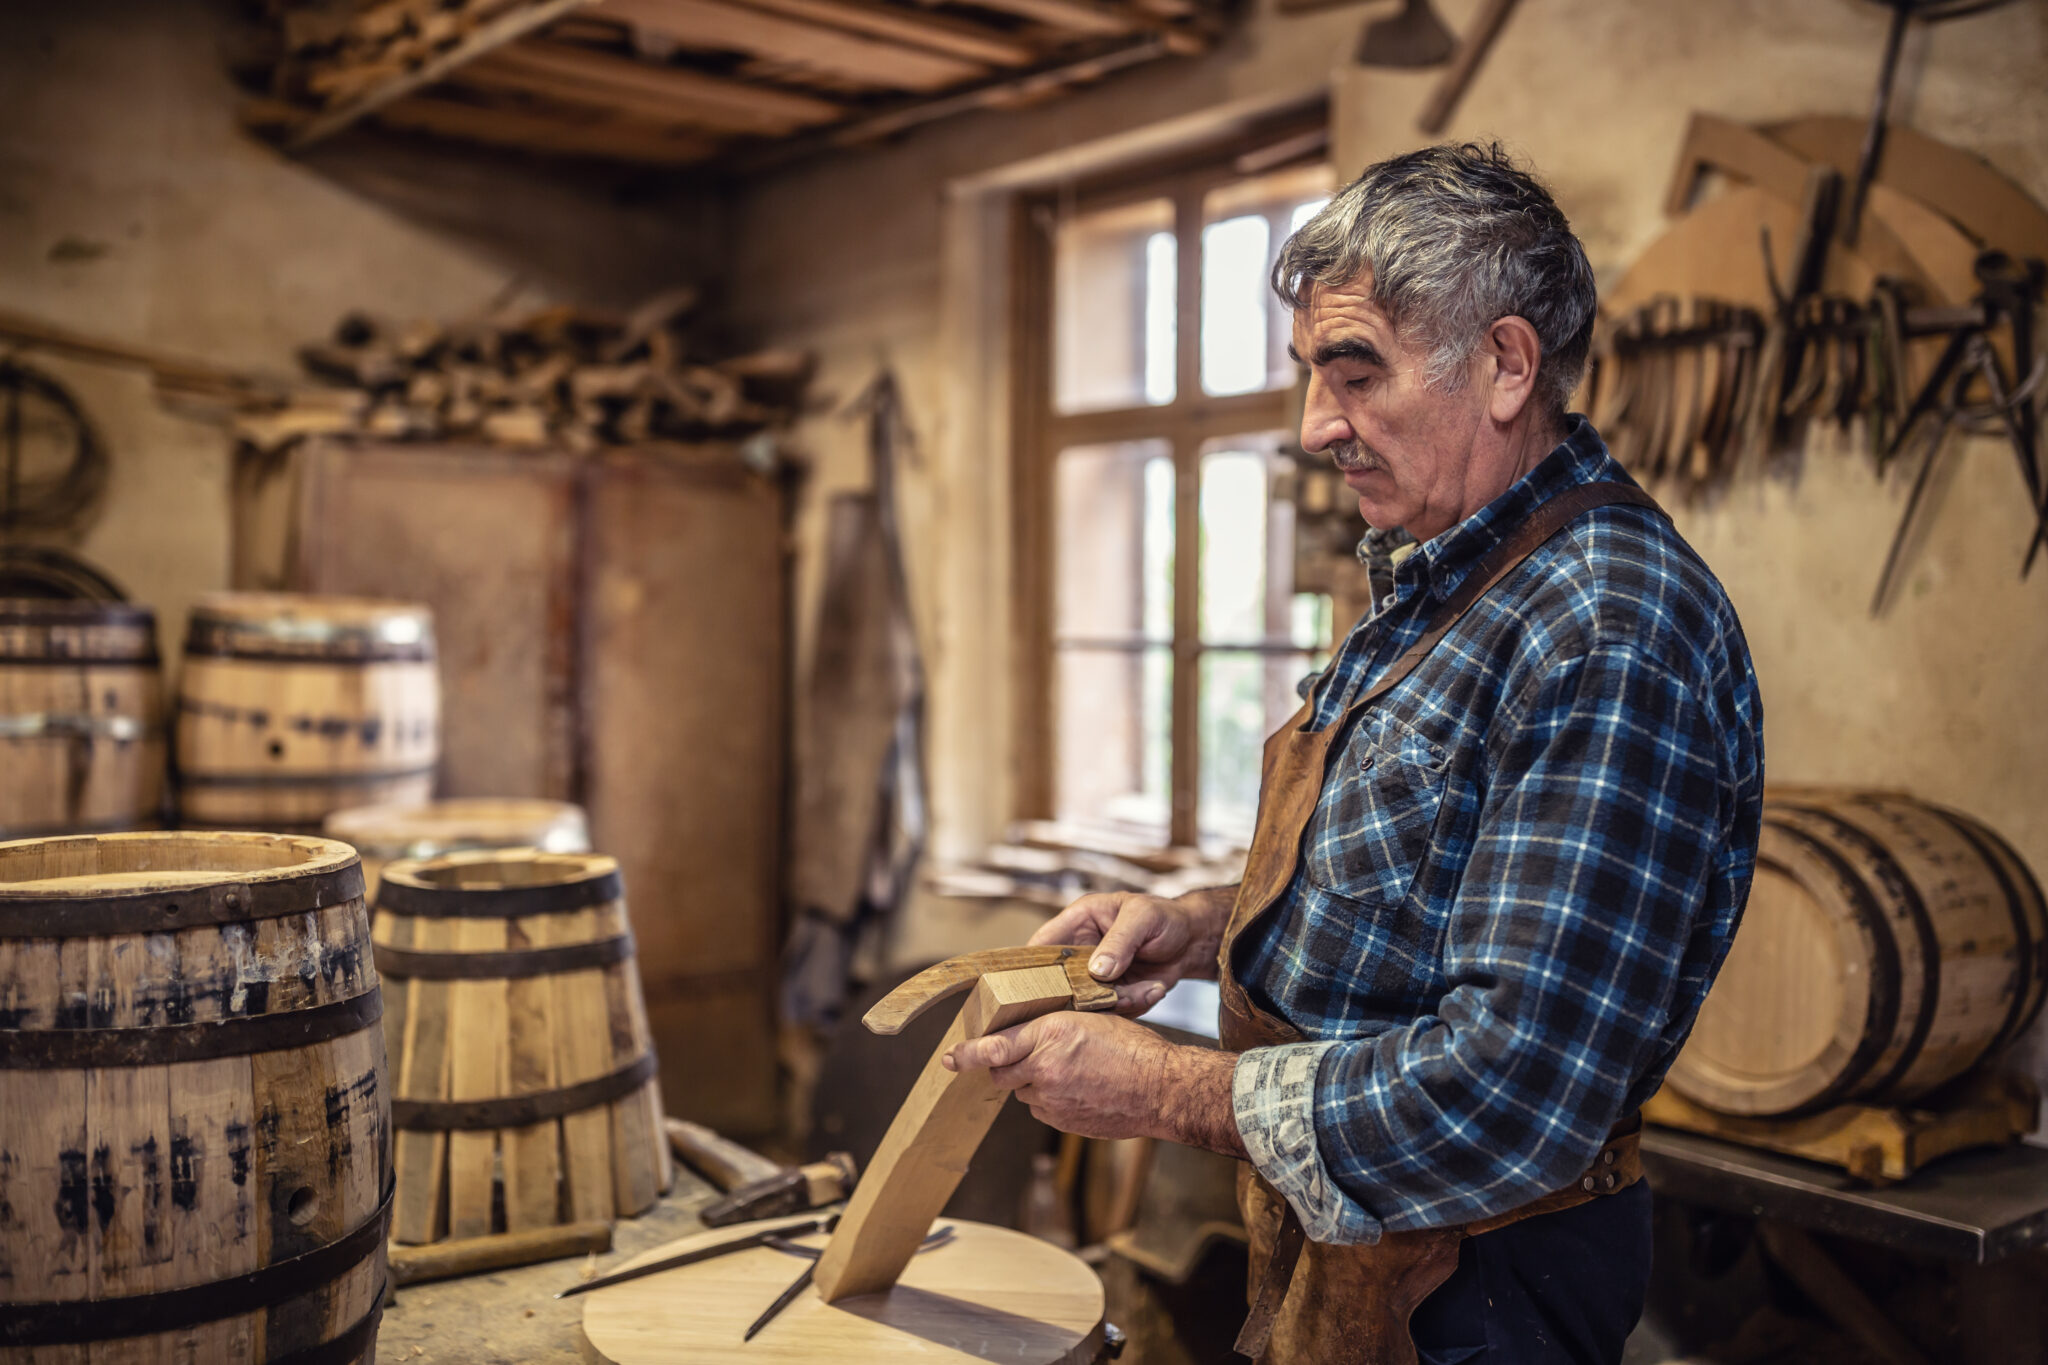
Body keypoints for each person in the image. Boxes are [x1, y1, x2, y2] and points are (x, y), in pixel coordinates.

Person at [942, 142, 1765, 1364]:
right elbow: (1416, 890)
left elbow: (1508, 1095)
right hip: (1356, 1252)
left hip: (1479, 1284)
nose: (1315, 424)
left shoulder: (1602, 623)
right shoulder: (1452, 578)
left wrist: (1161, 1091)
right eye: (1308, 374)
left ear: (1501, 364)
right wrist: (1205, 927)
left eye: (1354, 372)